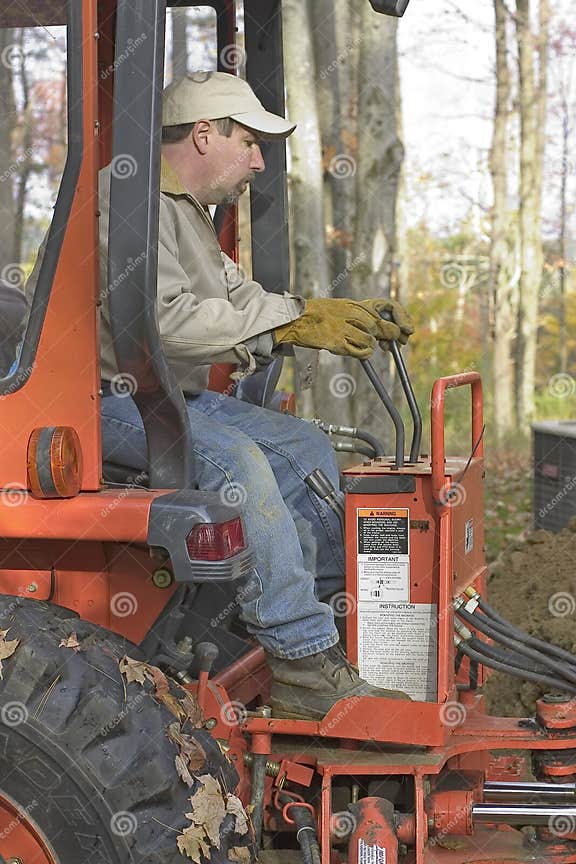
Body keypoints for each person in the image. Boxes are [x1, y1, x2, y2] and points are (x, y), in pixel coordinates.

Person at [99, 72, 414, 720]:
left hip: (165, 398)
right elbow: (162, 322)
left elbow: (238, 300)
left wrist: (317, 311)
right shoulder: (126, 200)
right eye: (250, 141)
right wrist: (287, 324)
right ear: (207, 134)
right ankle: (301, 664)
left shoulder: (186, 210)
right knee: (240, 462)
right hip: (105, 402)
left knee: (304, 446)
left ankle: (329, 630)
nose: (258, 161)